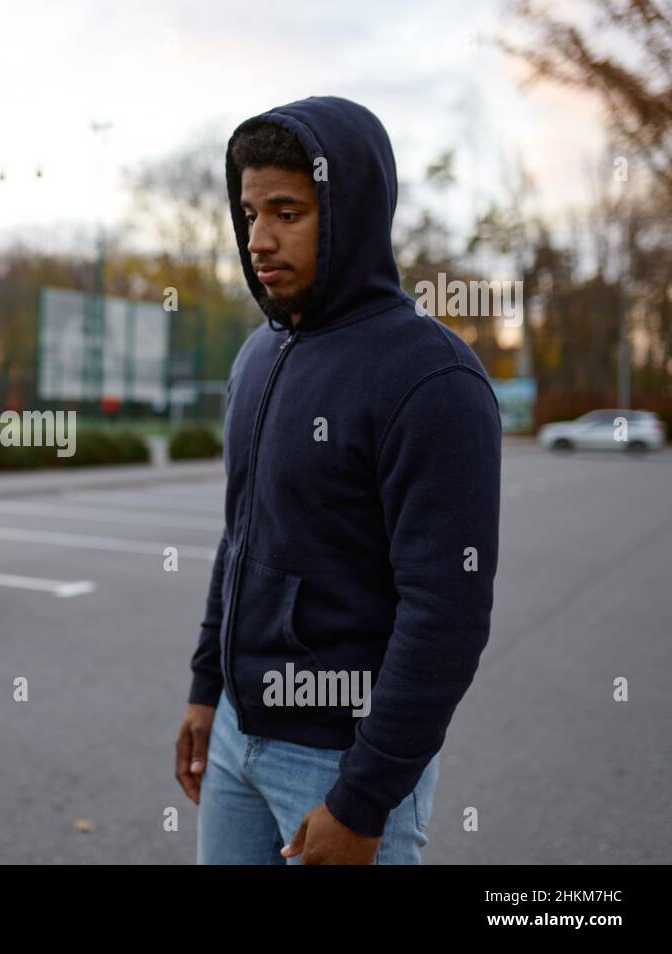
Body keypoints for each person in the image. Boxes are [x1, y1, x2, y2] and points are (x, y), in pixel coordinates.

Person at [174, 97, 502, 864]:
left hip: (340, 766)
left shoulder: (433, 378)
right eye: (250, 211)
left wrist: (362, 800)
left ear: (351, 213)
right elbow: (240, 538)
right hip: (235, 740)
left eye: (288, 211)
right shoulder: (257, 357)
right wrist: (203, 689)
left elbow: (446, 611)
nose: (258, 238)